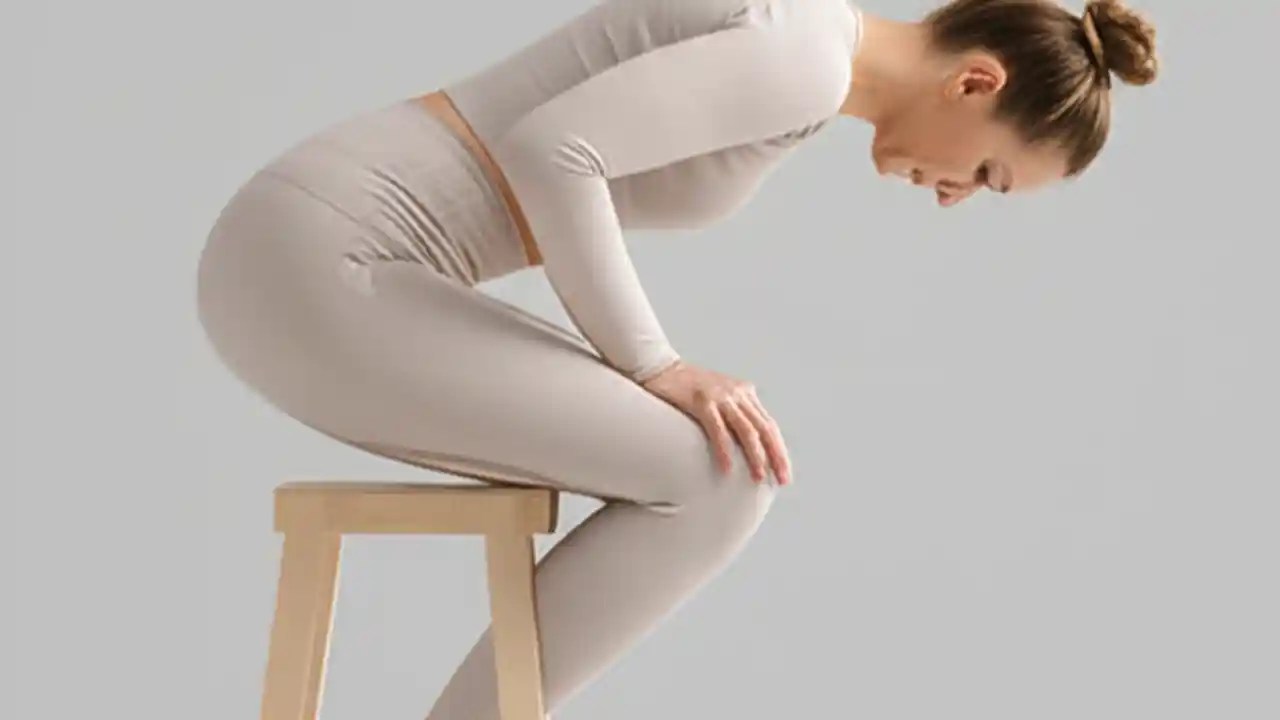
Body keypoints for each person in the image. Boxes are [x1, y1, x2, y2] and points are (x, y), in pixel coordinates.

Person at [194, 0, 1159, 717]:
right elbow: (553, 150)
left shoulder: (808, 54)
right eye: (988, 174)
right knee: (718, 474)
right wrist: (655, 365)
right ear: (977, 82)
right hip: (323, 262)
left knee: (713, 473)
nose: (955, 197)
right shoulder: (804, 58)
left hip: (333, 261)